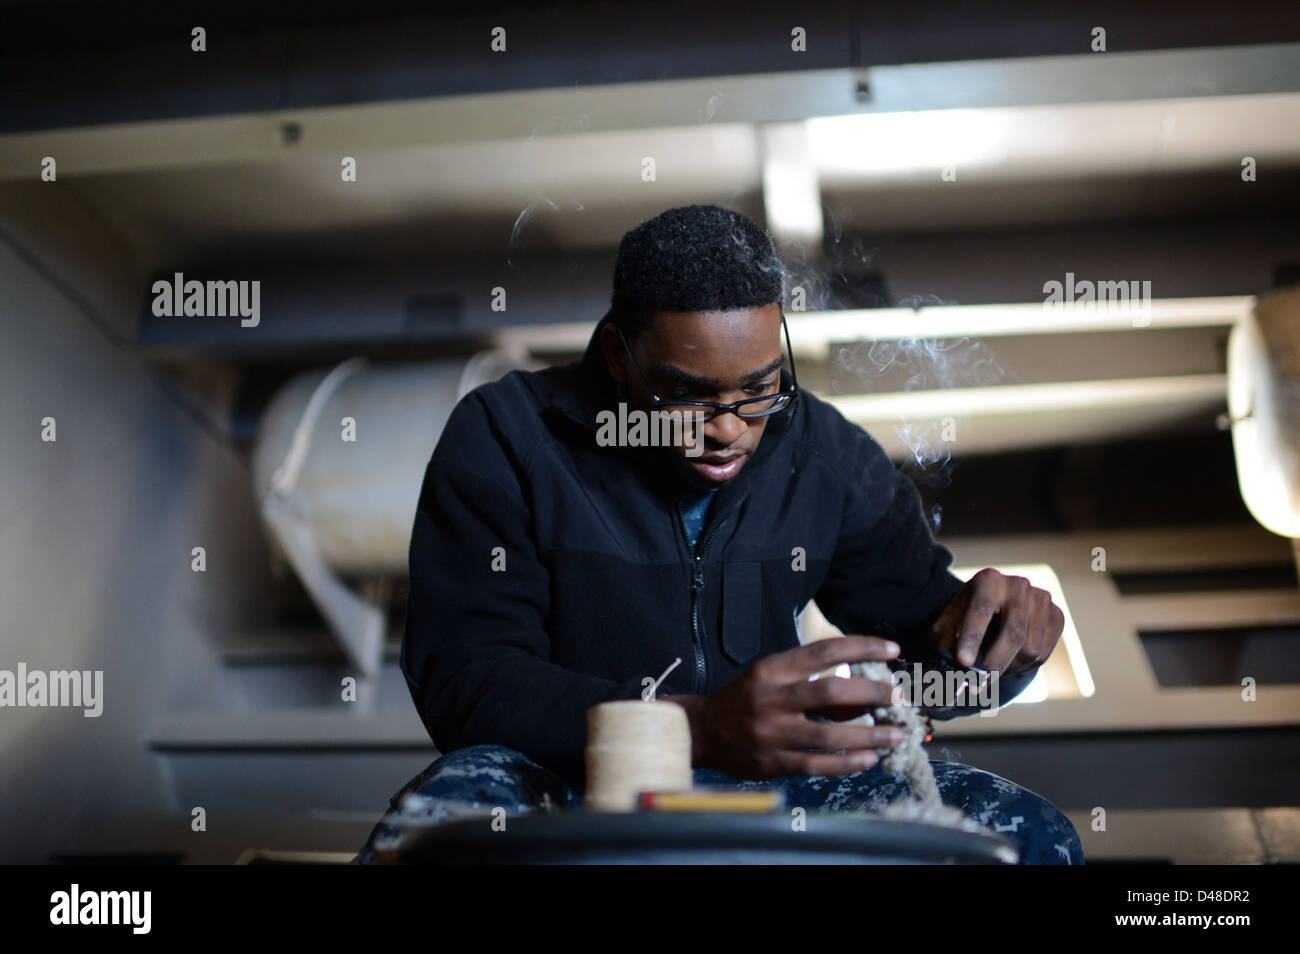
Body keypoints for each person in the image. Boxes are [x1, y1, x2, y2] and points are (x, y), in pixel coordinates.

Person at [354, 204, 1084, 865]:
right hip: (572, 779)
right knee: (434, 836)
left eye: (759, 387)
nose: (729, 429)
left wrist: (1001, 640)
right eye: (690, 394)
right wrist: (696, 726)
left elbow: (926, 643)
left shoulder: (824, 456)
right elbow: (469, 680)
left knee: (1030, 836)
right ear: (620, 357)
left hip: (778, 788)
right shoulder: (507, 436)